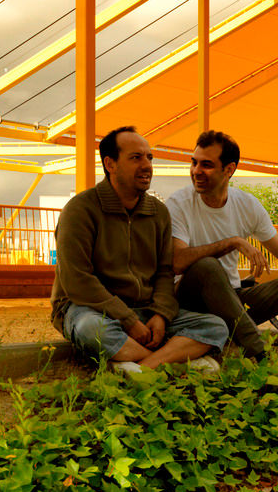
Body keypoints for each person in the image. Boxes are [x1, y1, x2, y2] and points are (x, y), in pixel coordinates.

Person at [50, 126, 228, 375]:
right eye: (136, 158)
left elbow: (165, 272)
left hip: (143, 309)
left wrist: (161, 315)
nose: (147, 165)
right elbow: (76, 280)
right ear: (110, 164)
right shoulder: (80, 210)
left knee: (215, 326)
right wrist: (128, 321)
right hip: (87, 308)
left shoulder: (158, 212)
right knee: (92, 329)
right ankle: (171, 363)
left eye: (149, 157)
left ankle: (140, 366)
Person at [166, 130, 278, 371]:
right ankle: (261, 355)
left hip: (234, 302)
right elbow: (177, 261)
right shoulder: (178, 204)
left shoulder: (247, 205)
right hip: (190, 303)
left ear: (229, 170)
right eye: (194, 162)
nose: (196, 171)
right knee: (207, 266)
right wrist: (233, 242)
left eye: (206, 165)